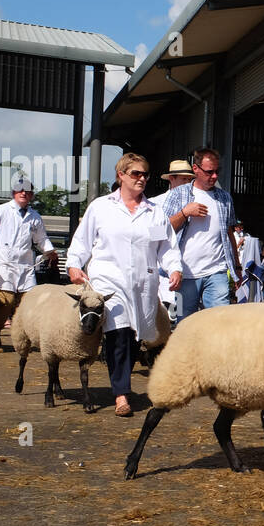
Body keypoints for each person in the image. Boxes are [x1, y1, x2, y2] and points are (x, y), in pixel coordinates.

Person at [67, 153, 182, 417]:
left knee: (133, 336)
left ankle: (121, 383)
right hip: (109, 280)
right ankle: (121, 394)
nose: (141, 179)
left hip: (143, 282)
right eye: (136, 174)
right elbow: (81, 241)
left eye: (145, 174)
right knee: (117, 333)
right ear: (121, 175)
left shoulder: (154, 213)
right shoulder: (101, 207)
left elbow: (166, 246)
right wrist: (74, 265)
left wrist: (174, 268)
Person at [0, 174, 57, 348]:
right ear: (13, 193)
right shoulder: (1, 210)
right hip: (5, 264)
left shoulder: (35, 216)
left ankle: (26, 335)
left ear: (31, 195)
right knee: (7, 301)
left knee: (29, 301)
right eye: (19, 191)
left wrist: (50, 252)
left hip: (26, 265)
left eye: (27, 191)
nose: (23, 194)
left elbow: (41, 239)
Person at [160, 147, 241, 321]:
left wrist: (237, 266)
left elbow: (228, 233)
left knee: (220, 323)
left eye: (217, 171)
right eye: (209, 172)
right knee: (183, 323)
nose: (214, 176)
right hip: (184, 274)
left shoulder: (224, 198)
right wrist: (185, 213)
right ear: (195, 169)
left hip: (217, 272)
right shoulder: (178, 195)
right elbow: (161, 231)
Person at [150, 159, 193, 311]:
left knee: (182, 316)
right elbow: (155, 235)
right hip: (162, 272)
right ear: (171, 179)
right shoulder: (155, 204)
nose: (188, 183)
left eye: (190, 179)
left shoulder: (198, 200)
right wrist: (183, 214)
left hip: (190, 270)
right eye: (184, 179)